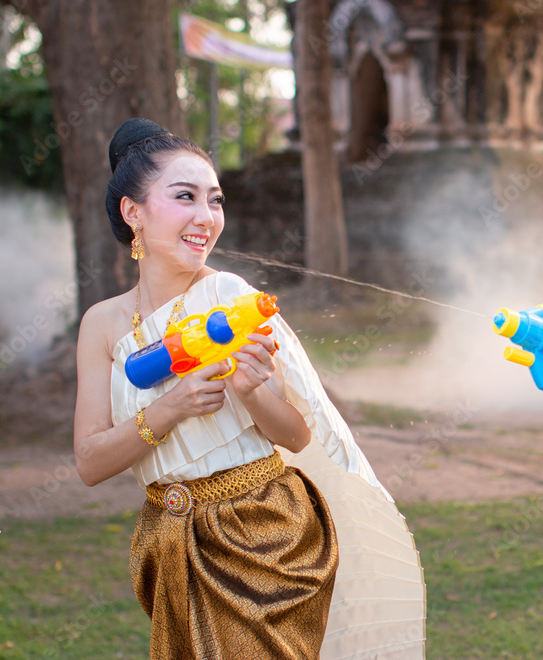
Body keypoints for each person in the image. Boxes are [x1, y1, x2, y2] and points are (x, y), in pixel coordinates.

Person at [73, 118, 425, 659]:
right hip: (168, 540)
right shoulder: (102, 325)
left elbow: (299, 435)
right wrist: (172, 407)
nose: (205, 217)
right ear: (133, 212)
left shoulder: (229, 298)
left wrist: (253, 390)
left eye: (215, 200)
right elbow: (91, 463)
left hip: (263, 529)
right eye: (185, 197)